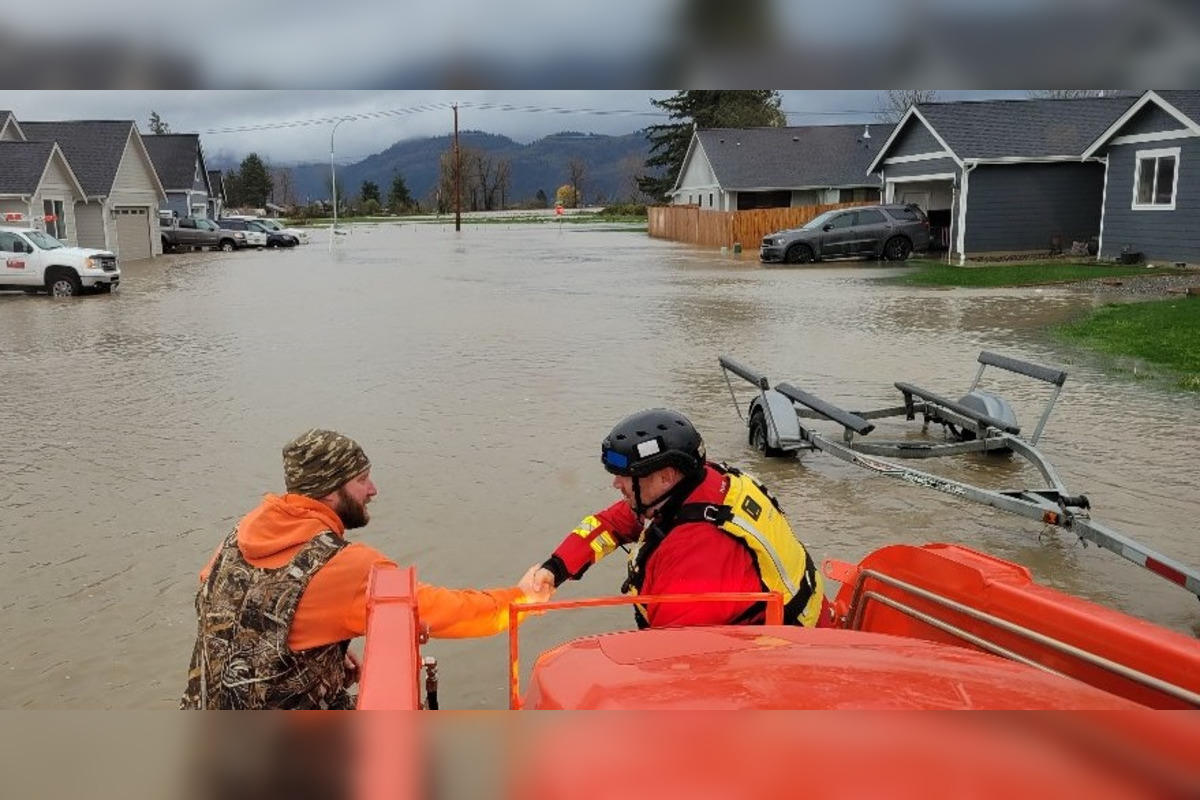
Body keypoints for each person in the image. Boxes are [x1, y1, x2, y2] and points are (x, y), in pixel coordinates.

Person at [180, 428, 552, 710]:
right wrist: (521, 598)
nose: (372, 489)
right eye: (361, 480)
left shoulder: (239, 536)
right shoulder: (349, 566)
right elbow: (446, 613)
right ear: (328, 491)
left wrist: (319, 644)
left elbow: (225, 608)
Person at [531, 408, 833, 629]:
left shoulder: (695, 556)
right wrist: (555, 569)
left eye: (627, 476)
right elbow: (610, 525)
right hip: (808, 618)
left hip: (782, 655)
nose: (616, 484)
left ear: (666, 476)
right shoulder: (701, 484)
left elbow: (672, 659)